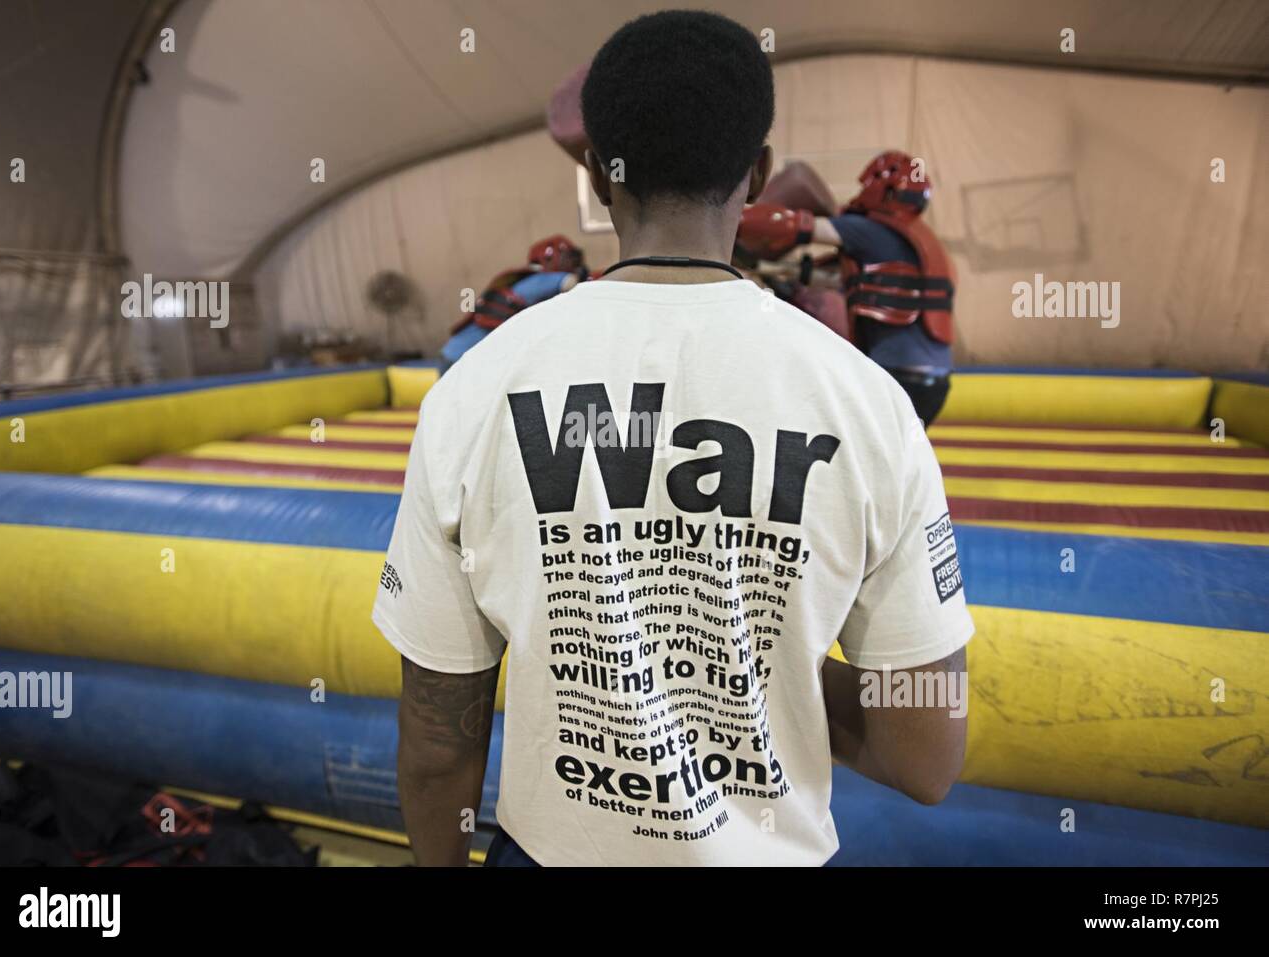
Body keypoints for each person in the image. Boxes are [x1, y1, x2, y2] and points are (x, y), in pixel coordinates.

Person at [373, 10, 972, 867]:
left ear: (594, 171)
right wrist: (762, 671)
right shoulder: (871, 407)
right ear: (758, 173)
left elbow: (437, 738)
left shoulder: (476, 389)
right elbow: (925, 753)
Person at [736, 151, 958, 424]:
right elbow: (842, 279)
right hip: (937, 381)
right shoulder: (924, 244)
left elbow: (797, 227)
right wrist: (777, 276)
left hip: (895, 377)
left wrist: (733, 223)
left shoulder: (868, 230)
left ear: (884, 190)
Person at [439, 234, 588, 372]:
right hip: (460, 360)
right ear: (550, 258)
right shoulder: (539, 281)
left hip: (456, 356)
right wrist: (588, 277)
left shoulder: (523, 281)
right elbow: (570, 283)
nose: (574, 264)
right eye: (569, 259)